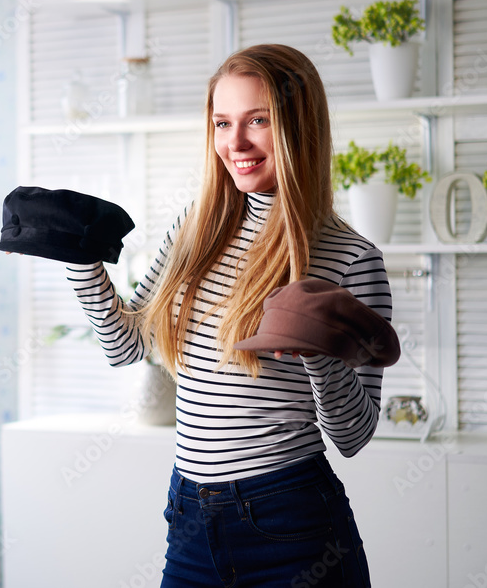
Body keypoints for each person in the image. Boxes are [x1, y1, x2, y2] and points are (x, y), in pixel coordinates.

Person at [65, 44, 390, 587]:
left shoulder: (349, 257)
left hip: (293, 522)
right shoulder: (194, 229)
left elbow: (354, 434)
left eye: (257, 121)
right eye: (222, 123)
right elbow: (127, 345)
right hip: (191, 515)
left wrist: (317, 352)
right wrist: (79, 261)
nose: (235, 143)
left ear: (298, 126)